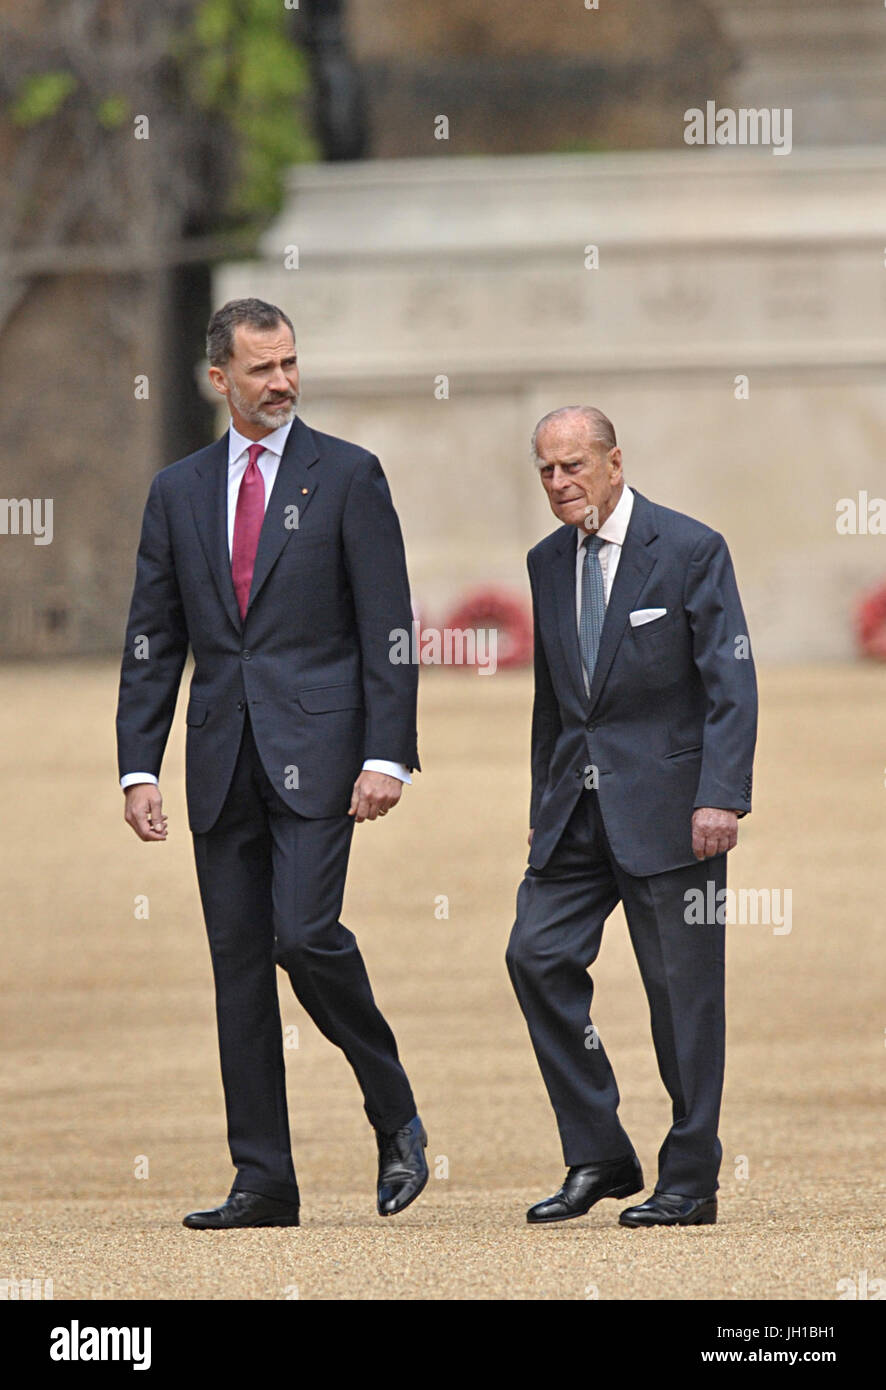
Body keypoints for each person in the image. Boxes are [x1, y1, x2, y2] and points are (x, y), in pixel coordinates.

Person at [116, 297, 427, 1229]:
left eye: (290, 362)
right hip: (219, 759)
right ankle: (263, 1181)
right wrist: (138, 765)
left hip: (321, 753)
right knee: (239, 968)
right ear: (220, 379)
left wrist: (388, 753)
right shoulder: (177, 491)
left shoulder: (349, 476)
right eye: (262, 368)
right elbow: (153, 636)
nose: (283, 381)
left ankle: (393, 1107)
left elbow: (391, 630)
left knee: (304, 934)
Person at [506, 406, 757, 1228]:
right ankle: (601, 1153)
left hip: (674, 812)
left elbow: (731, 683)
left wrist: (720, 795)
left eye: (573, 465)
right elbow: (555, 702)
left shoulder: (690, 549)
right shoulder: (547, 562)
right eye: (546, 469)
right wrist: (542, 805)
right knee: (535, 956)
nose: (559, 482)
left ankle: (689, 1181)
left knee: (683, 999)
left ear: (616, 463)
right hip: (573, 812)